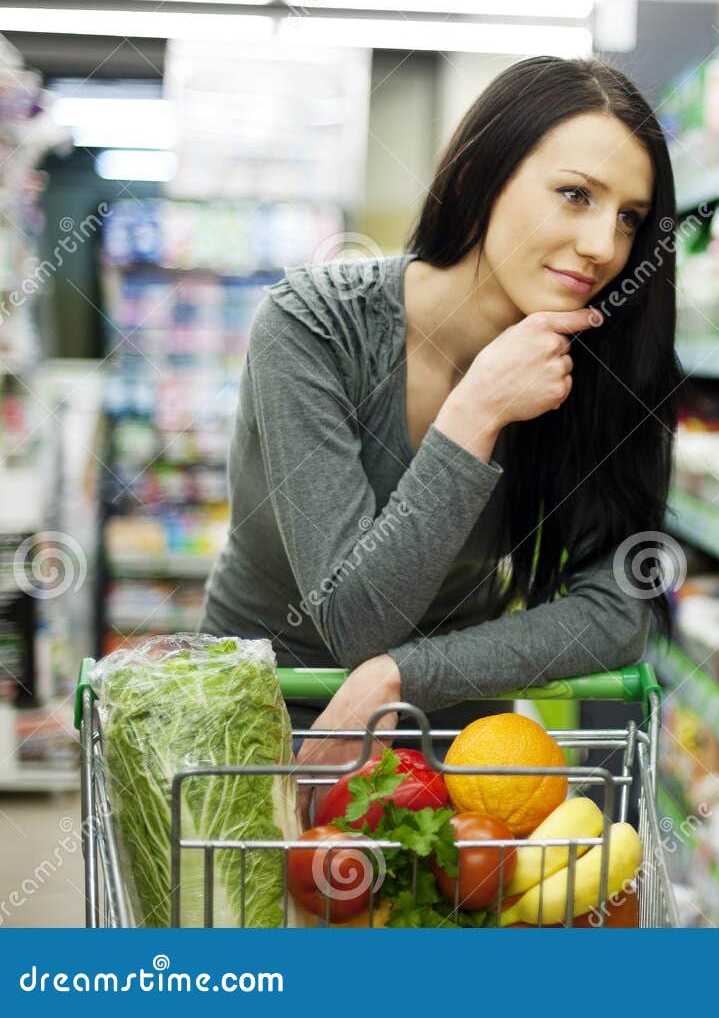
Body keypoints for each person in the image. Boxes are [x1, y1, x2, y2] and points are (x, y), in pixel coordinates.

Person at [197, 56, 681, 769]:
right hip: (264, 721)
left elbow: (615, 614)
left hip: (455, 737)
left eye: (629, 217)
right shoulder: (312, 327)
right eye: (575, 194)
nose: (603, 246)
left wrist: (404, 676)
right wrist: (479, 409)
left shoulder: (599, 365)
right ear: (479, 174)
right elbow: (355, 621)